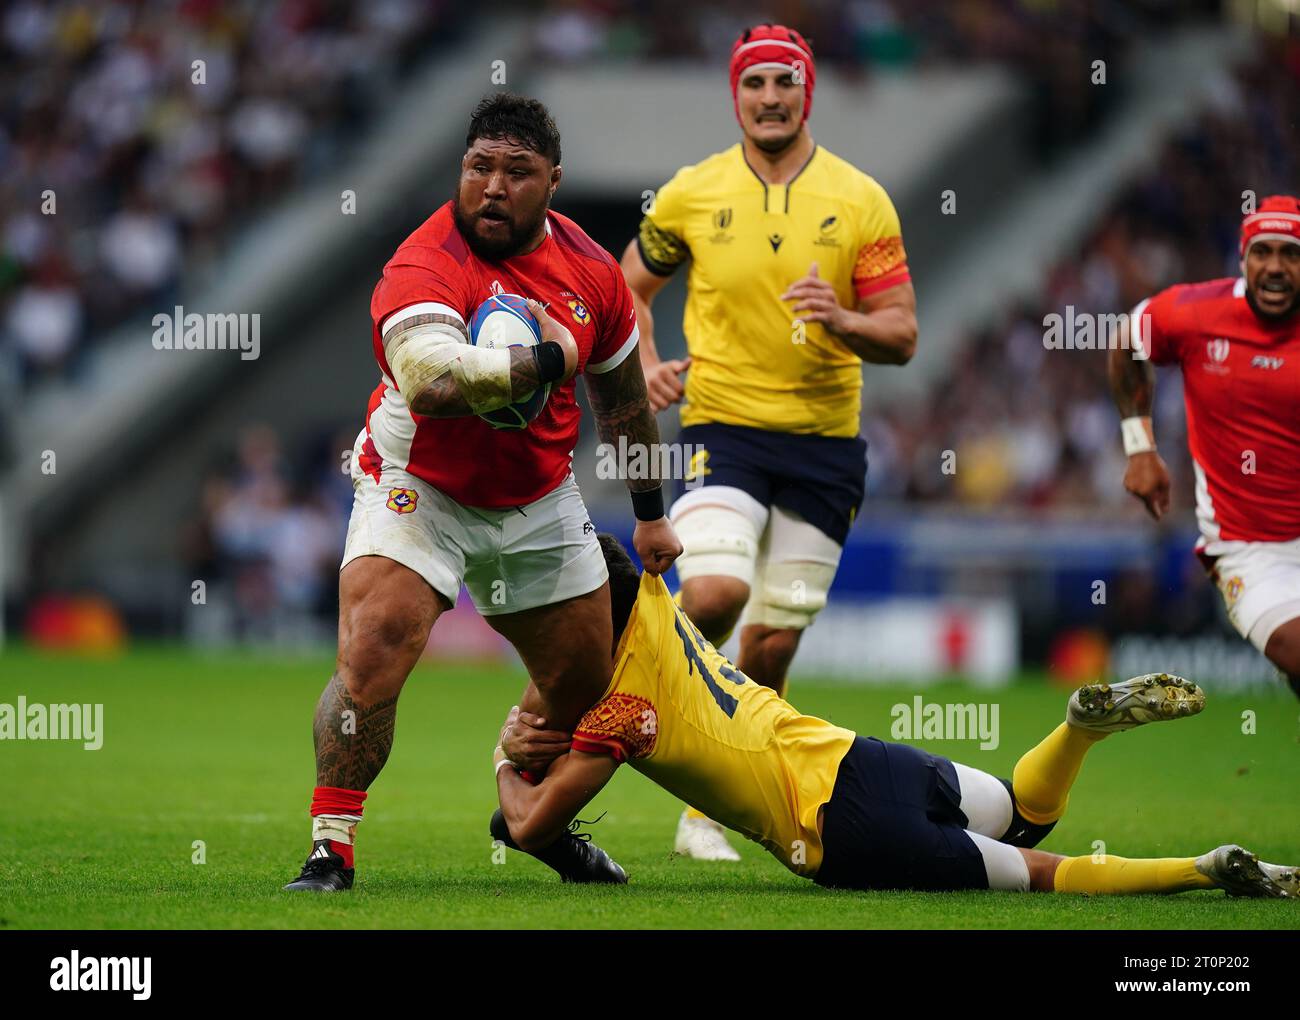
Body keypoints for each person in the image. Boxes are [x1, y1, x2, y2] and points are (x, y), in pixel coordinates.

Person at [284, 94, 682, 892]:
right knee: (375, 644)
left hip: (536, 498)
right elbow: (430, 383)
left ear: (554, 182)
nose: (492, 187)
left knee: (583, 682)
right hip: (419, 484)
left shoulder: (594, 275)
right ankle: (332, 846)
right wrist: (545, 361)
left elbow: (628, 405)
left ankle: (530, 813)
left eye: (516, 172)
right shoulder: (423, 262)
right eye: (478, 167)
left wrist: (650, 516)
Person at [494, 535, 1299, 898]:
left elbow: (527, 826)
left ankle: (1201, 869)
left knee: (1045, 877)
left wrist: (507, 755)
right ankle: (1079, 730)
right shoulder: (660, 604)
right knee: (1023, 816)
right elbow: (577, 637)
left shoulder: (621, 711)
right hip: (857, 754)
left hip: (837, 829)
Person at [619, 23, 917, 858]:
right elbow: (626, 285)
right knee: (713, 594)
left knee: (774, 642)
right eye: (755, 84)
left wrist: (843, 317)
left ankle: (706, 809)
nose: (770, 98)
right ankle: (620, 696)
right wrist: (643, 363)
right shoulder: (690, 192)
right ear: (736, 94)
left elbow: (902, 334)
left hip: (826, 444)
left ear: (807, 91)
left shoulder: (860, 199)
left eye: (785, 82)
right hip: (723, 428)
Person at [1109, 195, 1300, 699]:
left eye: (1291, 254)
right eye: (1264, 252)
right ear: (1244, 259)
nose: (1276, 267)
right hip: (1250, 548)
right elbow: (1126, 342)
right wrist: (1140, 448)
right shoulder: (1196, 313)